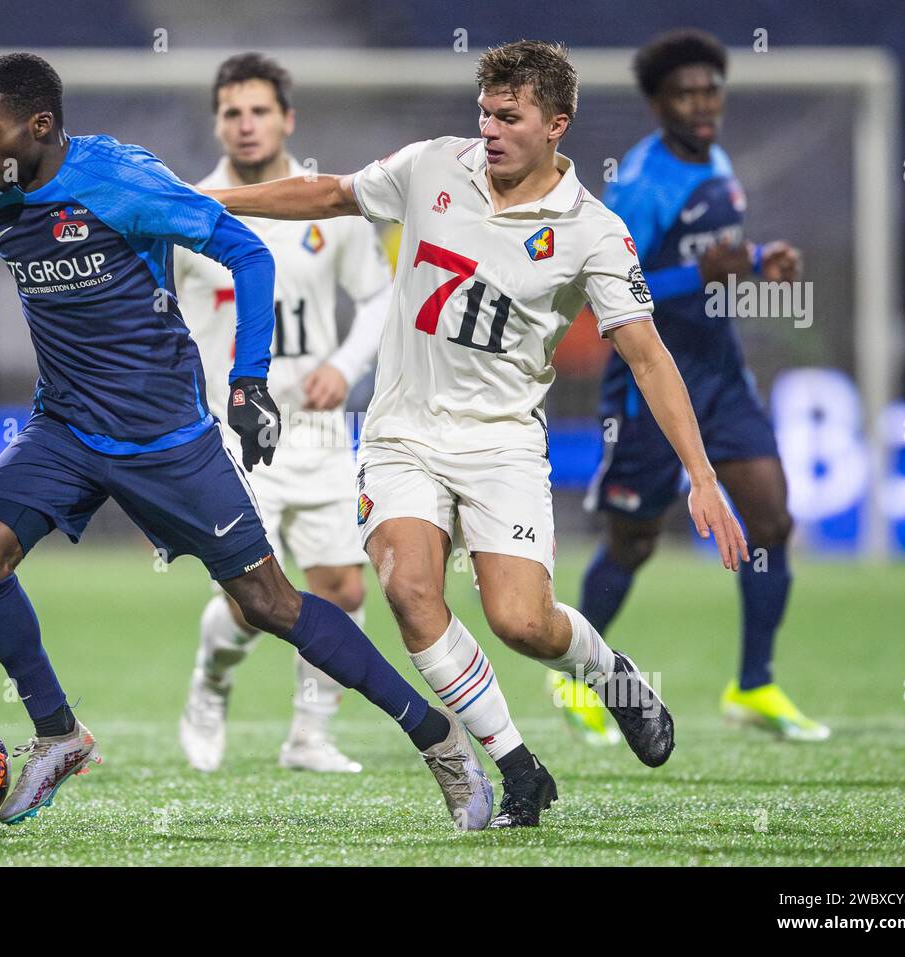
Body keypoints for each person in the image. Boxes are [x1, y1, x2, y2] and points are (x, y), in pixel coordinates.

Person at [0, 52, 495, 829]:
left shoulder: (124, 181)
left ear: (38, 126)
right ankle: (59, 733)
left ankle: (438, 738)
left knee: (270, 602)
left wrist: (249, 380)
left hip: (166, 439)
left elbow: (244, 251)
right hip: (66, 428)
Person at [204, 39, 749, 827]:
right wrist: (214, 202)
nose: (490, 128)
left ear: (557, 124)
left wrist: (700, 475)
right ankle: (519, 767)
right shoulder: (432, 167)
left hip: (502, 441)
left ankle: (611, 674)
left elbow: (650, 358)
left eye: (511, 115)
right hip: (402, 434)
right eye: (485, 111)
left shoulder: (593, 231)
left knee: (521, 620)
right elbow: (329, 193)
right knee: (407, 586)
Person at [572, 29, 828, 743]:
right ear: (658, 104)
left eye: (710, 89)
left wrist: (753, 256)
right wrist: (702, 275)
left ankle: (754, 684)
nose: (702, 103)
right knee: (633, 542)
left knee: (773, 522)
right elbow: (609, 288)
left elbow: (713, 254)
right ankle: (576, 674)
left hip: (718, 372)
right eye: (685, 93)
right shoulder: (640, 186)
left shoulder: (714, 159)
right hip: (648, 386)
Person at [175, 53, 391, 774]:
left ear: (287, 119)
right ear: (217, 121)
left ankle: (309, 734)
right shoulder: (185, 210)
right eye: (233, 112)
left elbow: (380, 297)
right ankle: (211, 680)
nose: (246, 124)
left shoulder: (326, 205)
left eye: (260, 110)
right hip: (231, 436)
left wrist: (344, 366)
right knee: (251, 599)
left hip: (320, 430)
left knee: (343, 586)